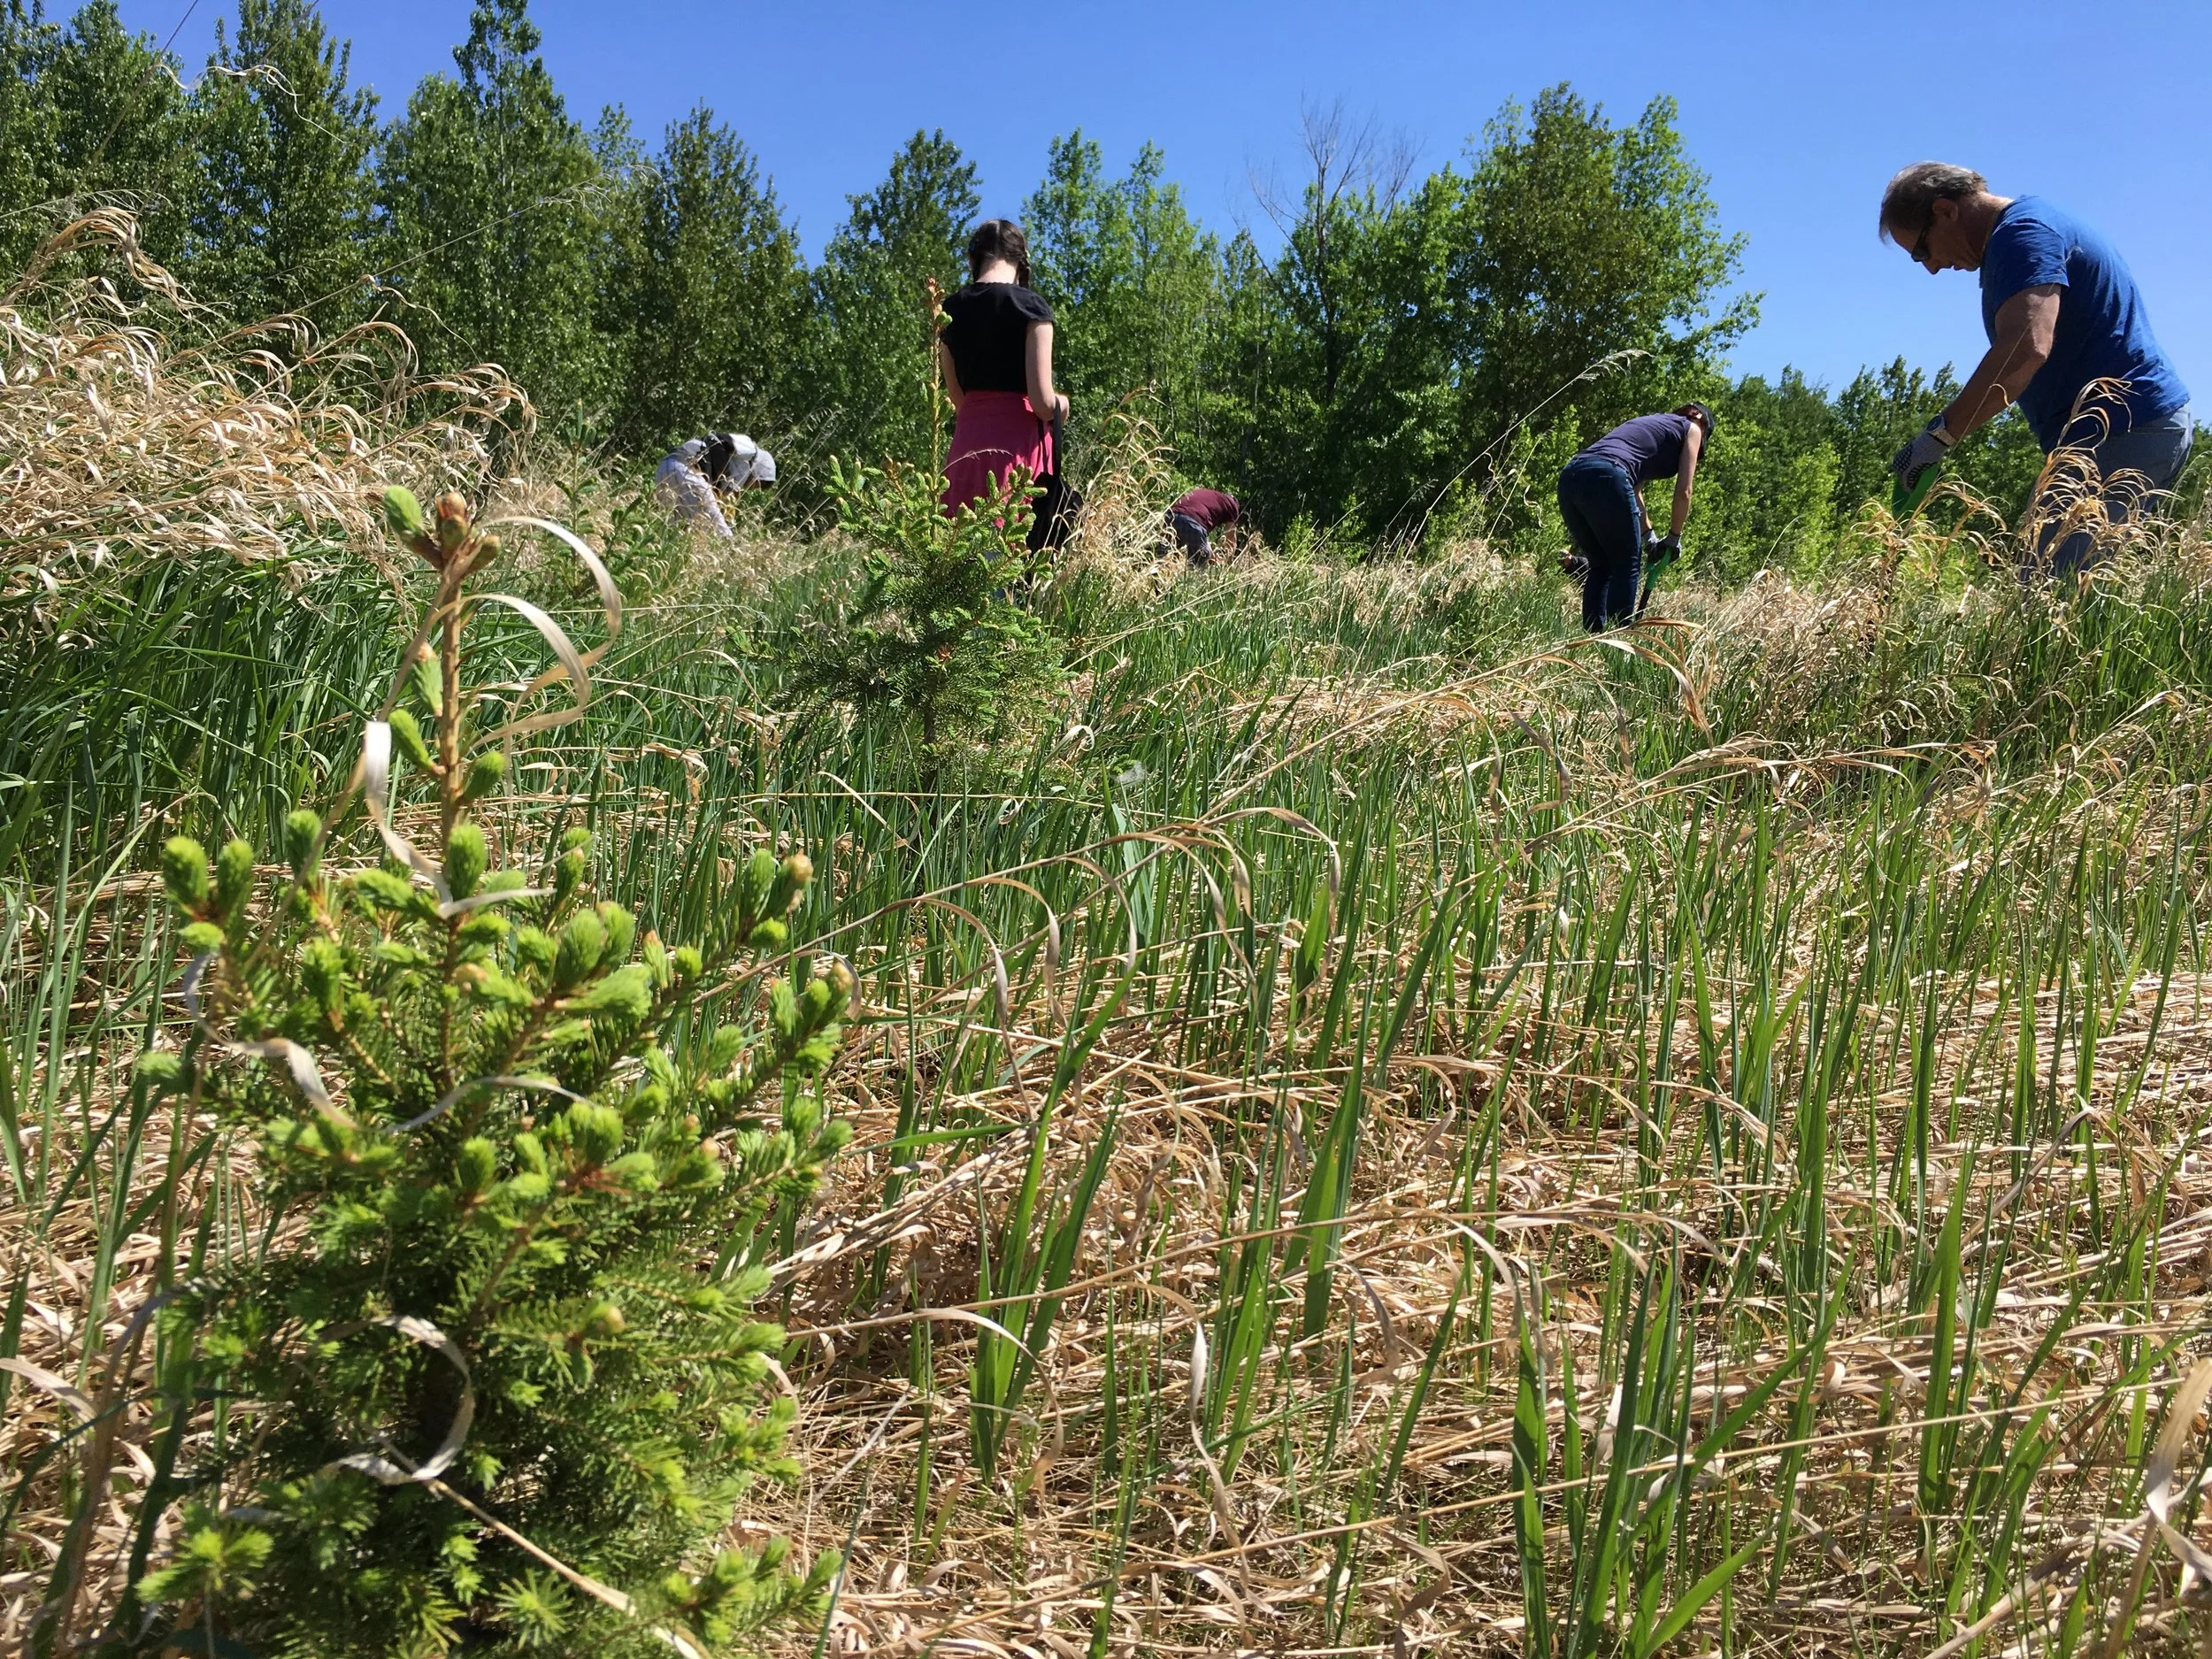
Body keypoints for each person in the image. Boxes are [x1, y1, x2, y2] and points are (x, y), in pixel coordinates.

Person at [1879, 163, 2191, 575]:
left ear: (1945, 211)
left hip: (2122, 429)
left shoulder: (2023, 235)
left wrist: (1937, 437)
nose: (1931, 267)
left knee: (2045, 593)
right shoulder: (2027, 228)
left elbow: (2025, 349)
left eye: (1922, 251)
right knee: (2083, 595)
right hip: (2132, 427)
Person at [938, 219, 1066, 520]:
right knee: (1012, 552)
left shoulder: (950, 310)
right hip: (1017, 452)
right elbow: (1042, 404)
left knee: (960, 549)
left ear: (974, 258)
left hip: (966, 449)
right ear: (1022, 260)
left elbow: (958, 398)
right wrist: (1063, 405)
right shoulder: (1031, 308)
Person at [1555, 403, 1712, 631]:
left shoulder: (1655, 425)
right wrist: (1674, 537)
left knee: (1601, 565)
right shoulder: (1693, 428)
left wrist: (1649, 536)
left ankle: (1593, 641)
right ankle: (1620, 643)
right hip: (1608, 475)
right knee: (1627, 563)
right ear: (1700, 419)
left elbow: (1634, 491)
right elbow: (1684, 492)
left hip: (1571, 477)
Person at [655, 433, 776, 541]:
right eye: (757, 484)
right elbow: (718, 440)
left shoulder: (737, 470)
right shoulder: (751, 450)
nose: (752, 488)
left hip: (665, 467)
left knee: (678, 531)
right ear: (759, 470)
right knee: (721, 535)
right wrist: (722, 480)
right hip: (688, 470)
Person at [1164, 487, 1239, 566]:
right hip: (1193, 521)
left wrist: (1212, 556)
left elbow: (1203, 539)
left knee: (1164, 558)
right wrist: (1228, 563)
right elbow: (1230, 538)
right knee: (1199, 562)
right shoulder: (1232, 505)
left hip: (1170, 517)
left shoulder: (1208, 495)